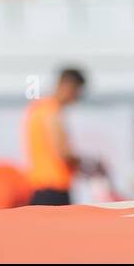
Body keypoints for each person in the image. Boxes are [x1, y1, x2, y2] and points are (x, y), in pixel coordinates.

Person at [21, 67, 99, 206]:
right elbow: (63, 153)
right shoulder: (52, 111)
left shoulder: (38, 108)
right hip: (54, 190)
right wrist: (88, 164)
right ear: (68, 86)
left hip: (39, 187)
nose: (77, 98)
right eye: (77, 92)